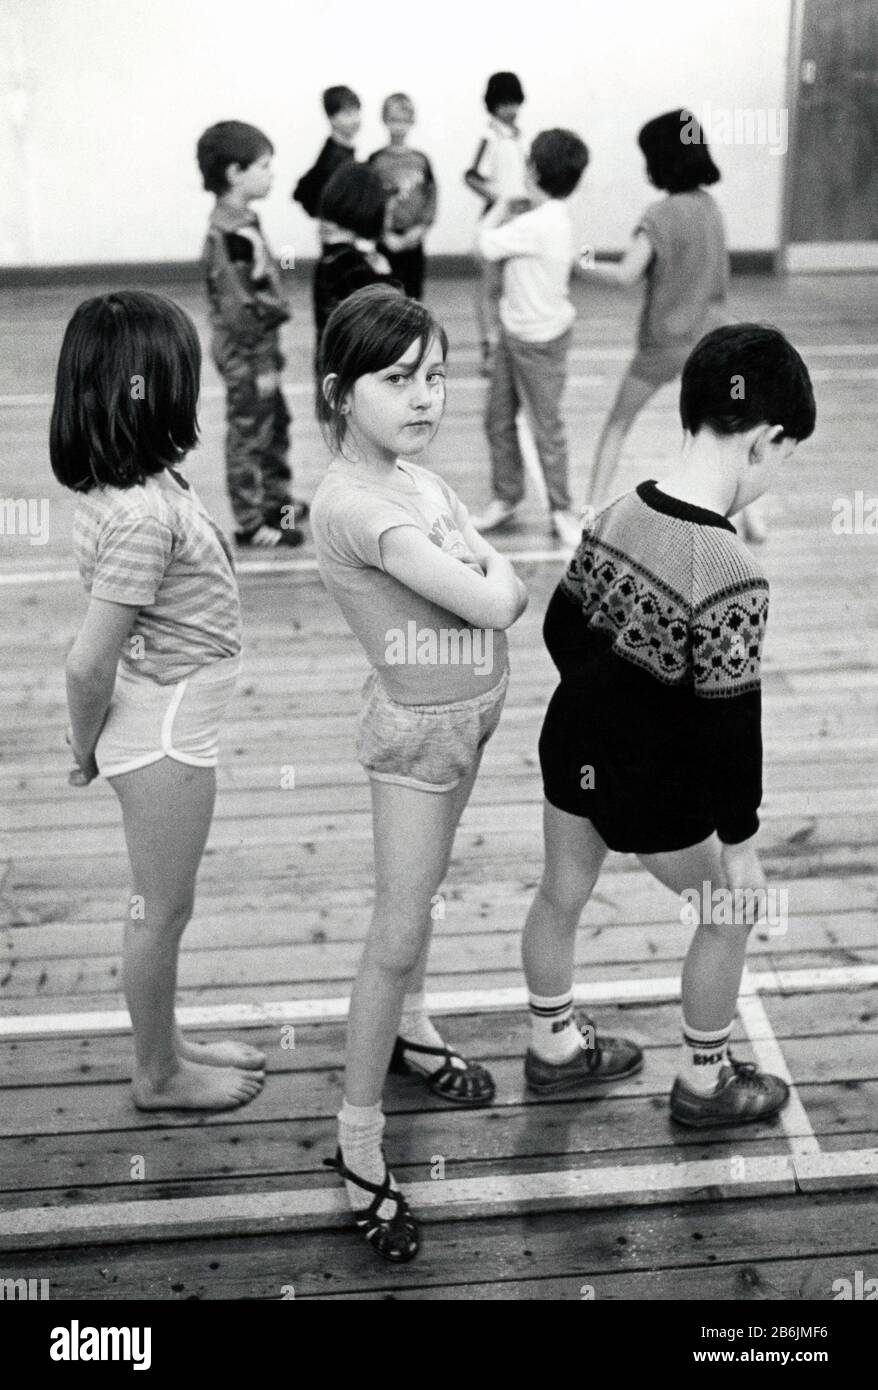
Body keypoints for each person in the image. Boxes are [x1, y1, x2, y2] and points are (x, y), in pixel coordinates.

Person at [523, 324, 815, 1126]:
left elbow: (560, 628)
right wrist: (743, 843)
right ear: (764, 442)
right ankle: (705, 1081)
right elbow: (730, 727)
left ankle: (552, 1049)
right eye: (785, 457)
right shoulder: (731, 571)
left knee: (559, 894)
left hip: (573, 748)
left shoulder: (618, 509)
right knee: (729, 910)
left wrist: (604, 699)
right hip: (653, 784)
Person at [310, 285, 528, 1262]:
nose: (424, 396)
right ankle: (360, 1146)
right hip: (416, 737)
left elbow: (502, 580)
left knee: (423, 901)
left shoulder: (421, 482)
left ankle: (414, 1027)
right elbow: (491, 599)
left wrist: (494, 581)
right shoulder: (359, 503)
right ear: (337, 390)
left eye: (435, 375)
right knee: (394, 929)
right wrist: (493, 582)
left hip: (468, 715)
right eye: (397, 380)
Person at [51, 291, 266, 1113]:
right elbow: (85, 662)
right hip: (165, 734)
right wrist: (84, 746)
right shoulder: (143, 516)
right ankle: (157, 1074)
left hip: (165, 718)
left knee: (164, 906)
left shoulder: (134, 487)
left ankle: (167, 1041)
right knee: (160, 909)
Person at [580, 108, 767, 542]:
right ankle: (755, 516)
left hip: (663, 344)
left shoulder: (660, 214)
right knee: (737, 427)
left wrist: (582, 264)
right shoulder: (710, 207)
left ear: (658, 161)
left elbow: (626, 274)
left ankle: (589, 513)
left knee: (617, 424)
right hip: (716, 340)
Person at [471, 129, 589, 550]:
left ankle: (561, 508)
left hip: (540, 343)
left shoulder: (538, 224)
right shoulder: (550, 217)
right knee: (497, 420)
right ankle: (507, 496)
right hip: (514, 335)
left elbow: (483, 246)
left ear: (532, 169)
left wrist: (499, 203)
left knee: (546, 428)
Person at [197, 120, 306, 549]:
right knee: (250, 431)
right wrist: (261, 363)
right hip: (248, 351)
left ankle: (277, 505)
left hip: (263, 345)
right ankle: (250, 520)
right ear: (234, 173)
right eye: (263, 165)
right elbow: (239, 309)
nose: (271, 173)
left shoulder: (245, 221)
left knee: (276, 424)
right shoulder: (227, 236)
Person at [464, 71, 528, 375]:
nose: (509, 108)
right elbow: (472, 175)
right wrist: (500, 200)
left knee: (514, 288)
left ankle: (507, 350)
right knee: (490, 288)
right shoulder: (491, 136)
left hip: (520, 224)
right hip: (495, 224)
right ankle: (489, 349)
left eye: (513, 101)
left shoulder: (519, 137)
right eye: (503, 102)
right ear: (492, 104)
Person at [312, 162, 395, 362]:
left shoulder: (336, 256)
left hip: (336, 363)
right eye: (387, 210)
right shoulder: (351, 264)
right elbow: (384, 317)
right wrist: (385, 276)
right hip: (353, 367)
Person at [368, 93, 437, 299]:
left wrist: (420, 229)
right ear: (384, 120)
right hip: (385, 240)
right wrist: (383, 234)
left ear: (412, 122)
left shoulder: (421, 160)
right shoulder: (376, 160)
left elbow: (431, 197)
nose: (398, 126)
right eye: (393, 120)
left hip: (413, 239)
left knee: (413, 296)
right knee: (386, 296)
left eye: (404, 121)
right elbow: (369, 201)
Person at [293, 85, 361, 244]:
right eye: (347, 114)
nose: (356, 119)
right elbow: (304, 193)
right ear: (332, 118)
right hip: (338, 236)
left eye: (357, 112)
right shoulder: (333, 157)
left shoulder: (343, 151)